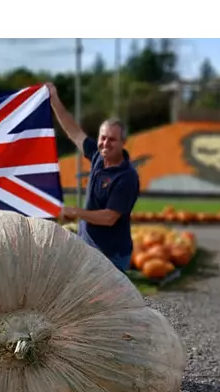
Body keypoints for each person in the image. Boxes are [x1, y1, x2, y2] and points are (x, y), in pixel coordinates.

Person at [46, 83, 140, 272]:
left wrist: (76, 213)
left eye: (112, 139)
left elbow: (109, 218)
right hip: (89, 249)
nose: (105, 143)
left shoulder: (126, 177)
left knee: (105, 301)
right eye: (102, 137)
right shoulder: (98, 156)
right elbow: (73, 131)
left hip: (111, 256)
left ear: (123, 142)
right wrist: (54, 100)